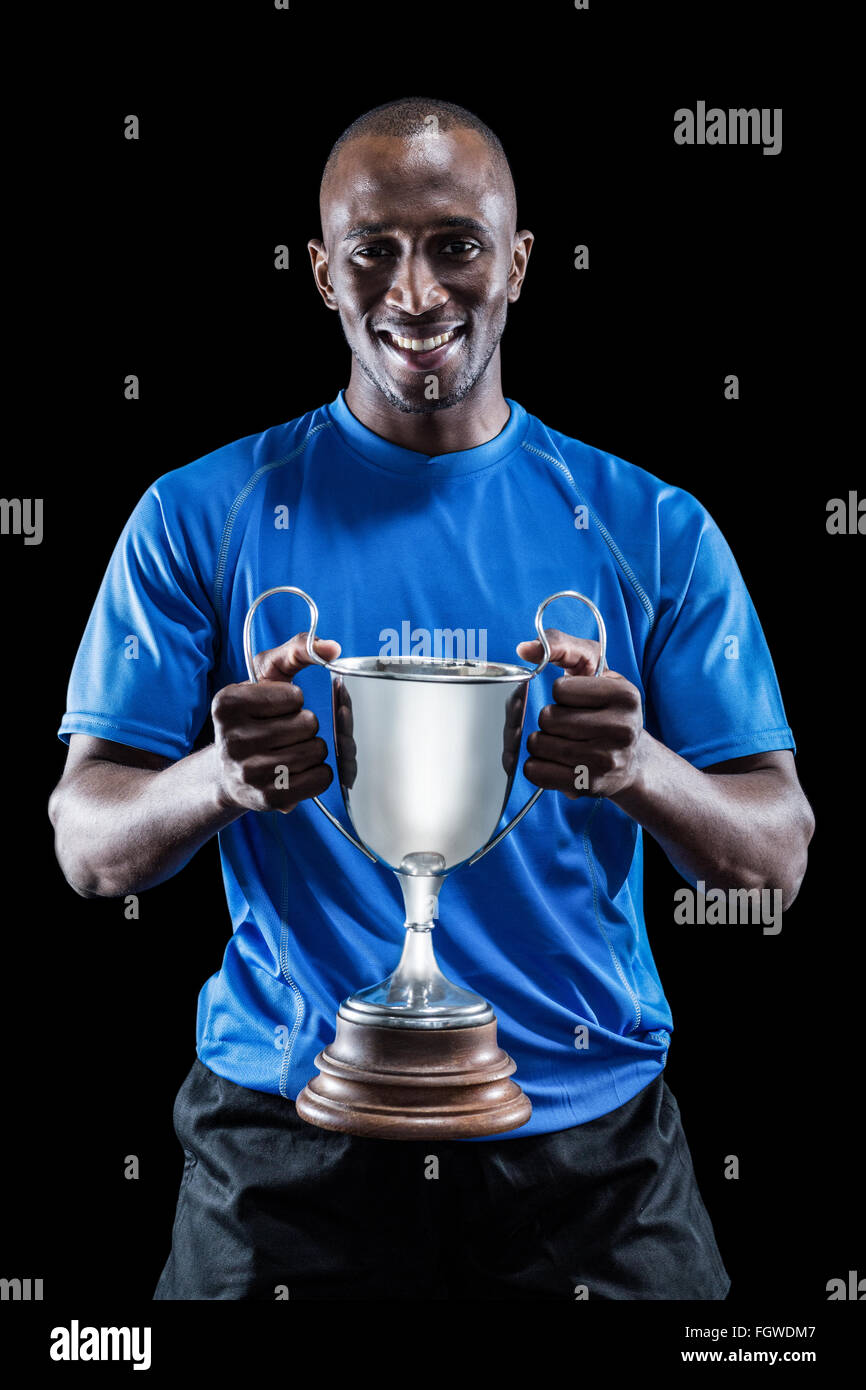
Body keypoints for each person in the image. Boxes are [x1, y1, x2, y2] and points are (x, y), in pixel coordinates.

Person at [49, 97, 814, 1301]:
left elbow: (774, 859)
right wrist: (218, 779)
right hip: (286, 1134)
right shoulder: (201, 513)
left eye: (454, 244)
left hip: (589, 1143)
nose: (413, 293)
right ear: (320, 273)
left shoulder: (648, 528)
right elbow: (88, 849)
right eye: (373, 251)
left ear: (516, 261)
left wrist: (641, 768)